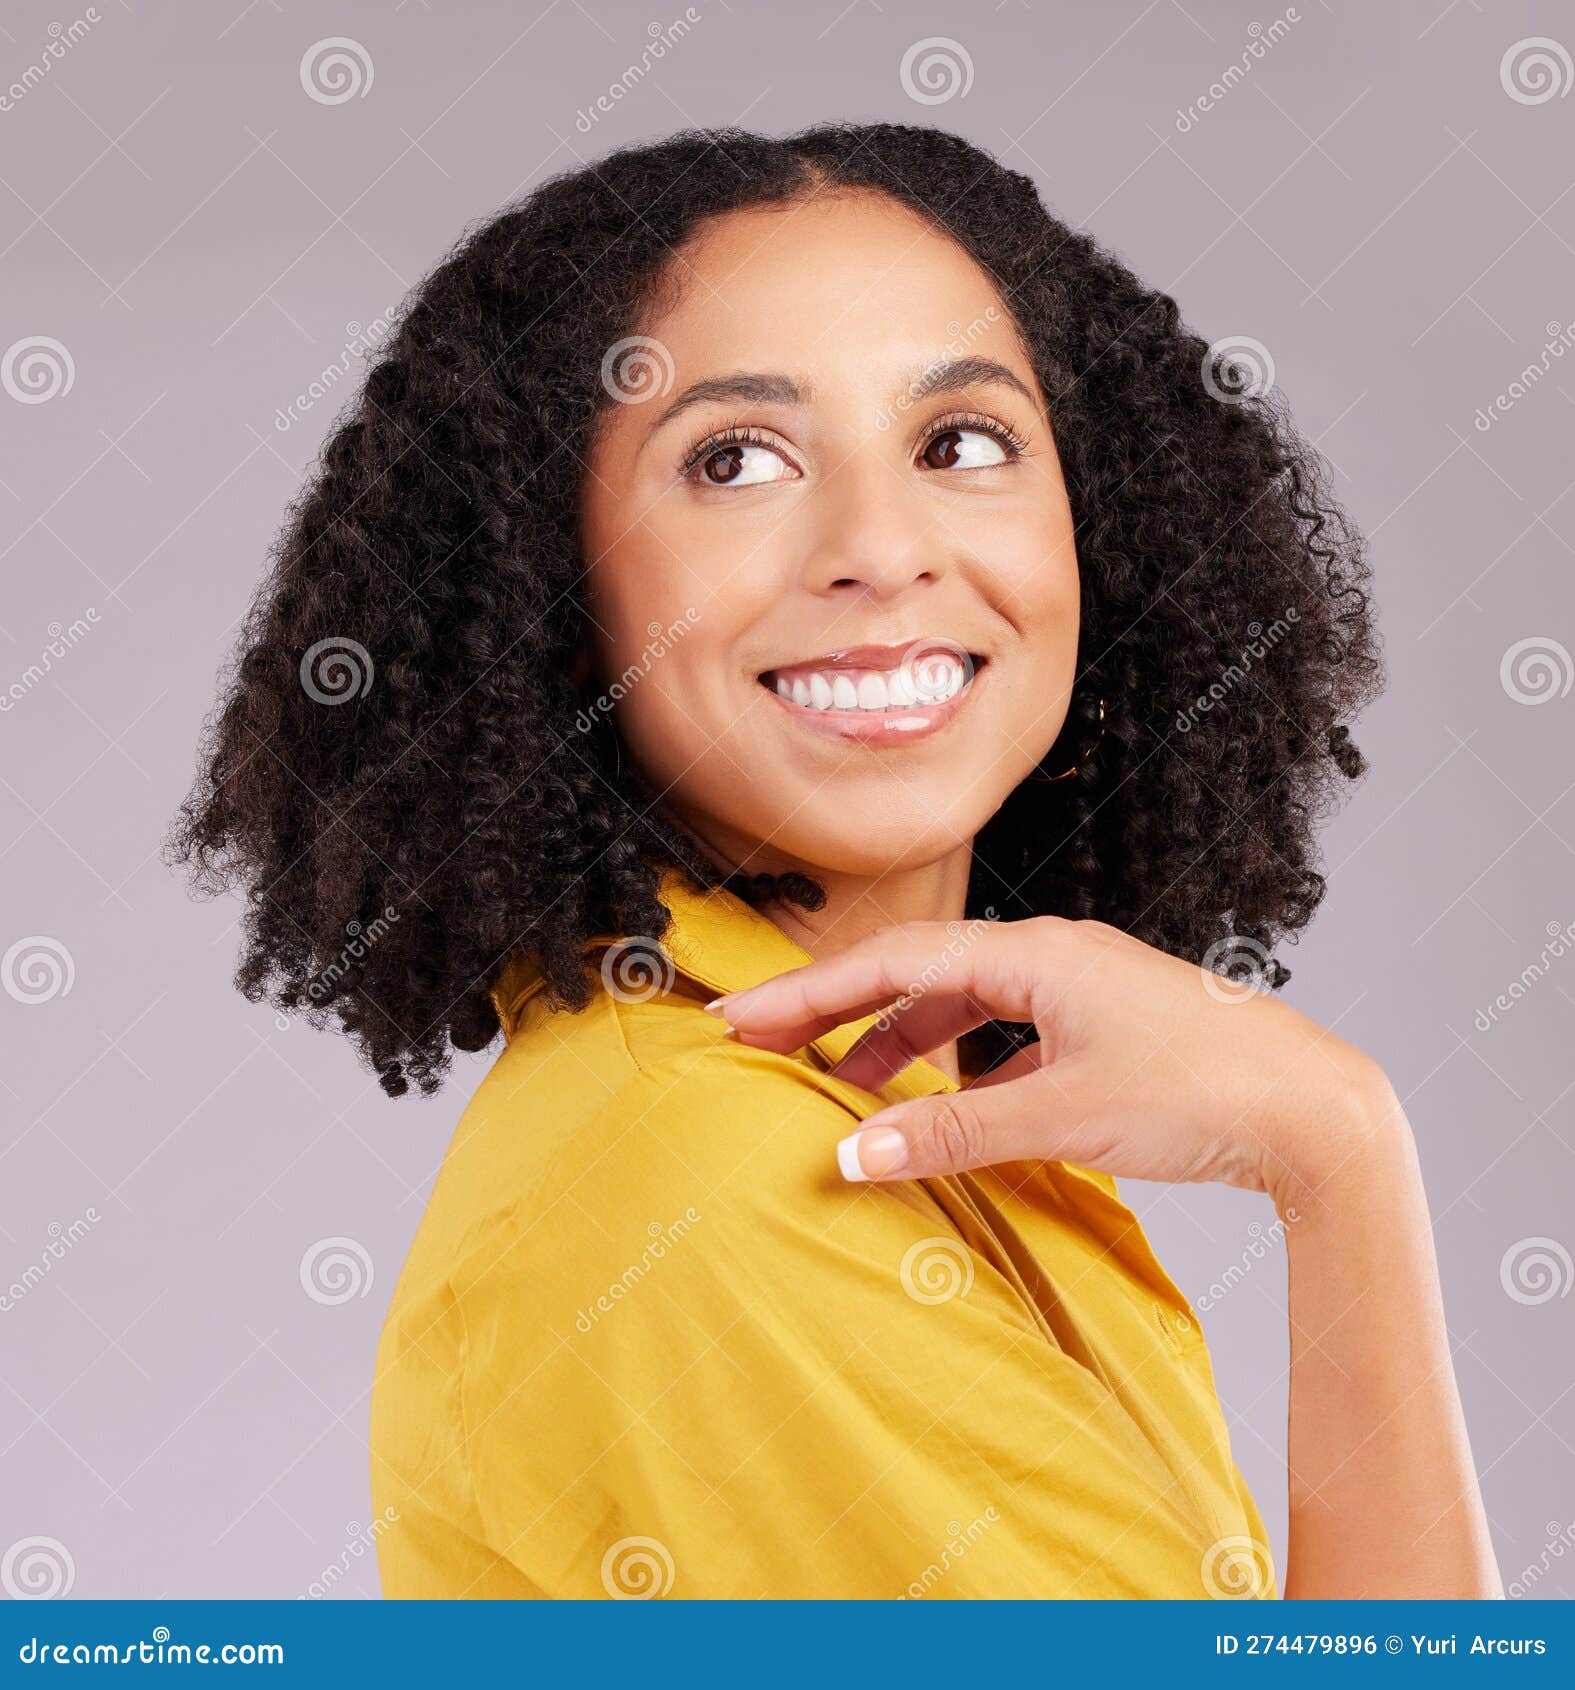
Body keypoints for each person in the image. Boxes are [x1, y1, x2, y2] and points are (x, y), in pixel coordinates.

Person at [171, 123, 1498, 1598]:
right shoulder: (711, 1189)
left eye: (962, 442)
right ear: (556, 592)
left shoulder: (893, 1106)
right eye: (735, 460)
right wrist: (1339, 1152)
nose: (881, 545)